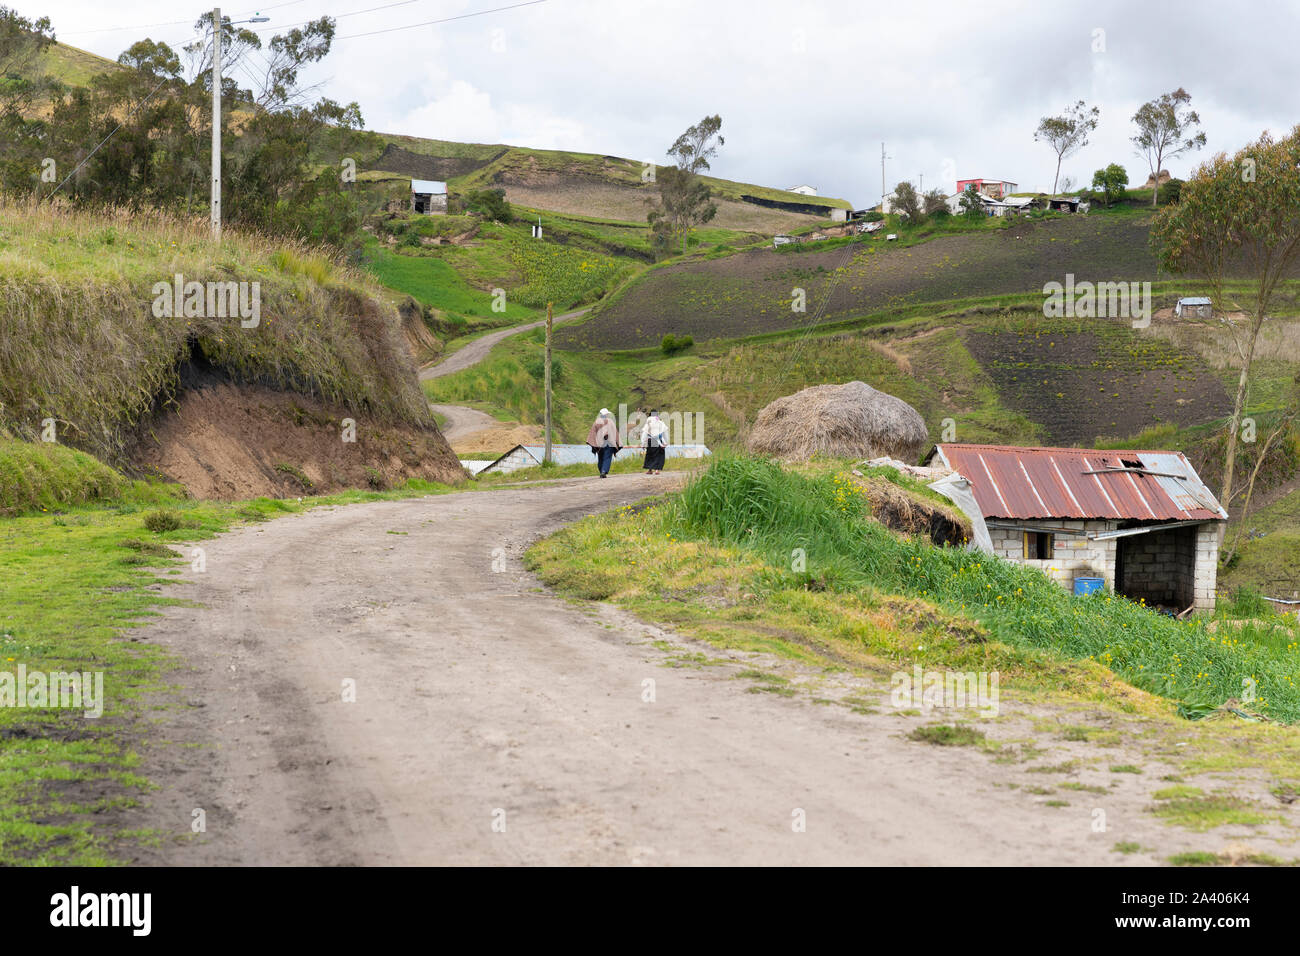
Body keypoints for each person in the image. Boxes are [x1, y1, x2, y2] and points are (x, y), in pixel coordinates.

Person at [585, 408, 621, 478]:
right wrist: (617, 441)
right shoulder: (610, 421)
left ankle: (601, 470)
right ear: (606, 414)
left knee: (600, 457)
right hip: (609, 443)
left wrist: (594, 443)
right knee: (607, 457)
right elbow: (615, 432)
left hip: (599, 444)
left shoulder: (596, 422)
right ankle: (604, 471)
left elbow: (592, 433)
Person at [641, 409, 668, 474]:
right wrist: (666, 442)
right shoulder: (661, 422)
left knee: (650, 454)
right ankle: (657, 470)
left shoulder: (648, 423)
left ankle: (650, 470)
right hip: (659, 440)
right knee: (659, 455)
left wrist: (643, 443)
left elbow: (644, 434)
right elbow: (665, 433)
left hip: (651, 440)